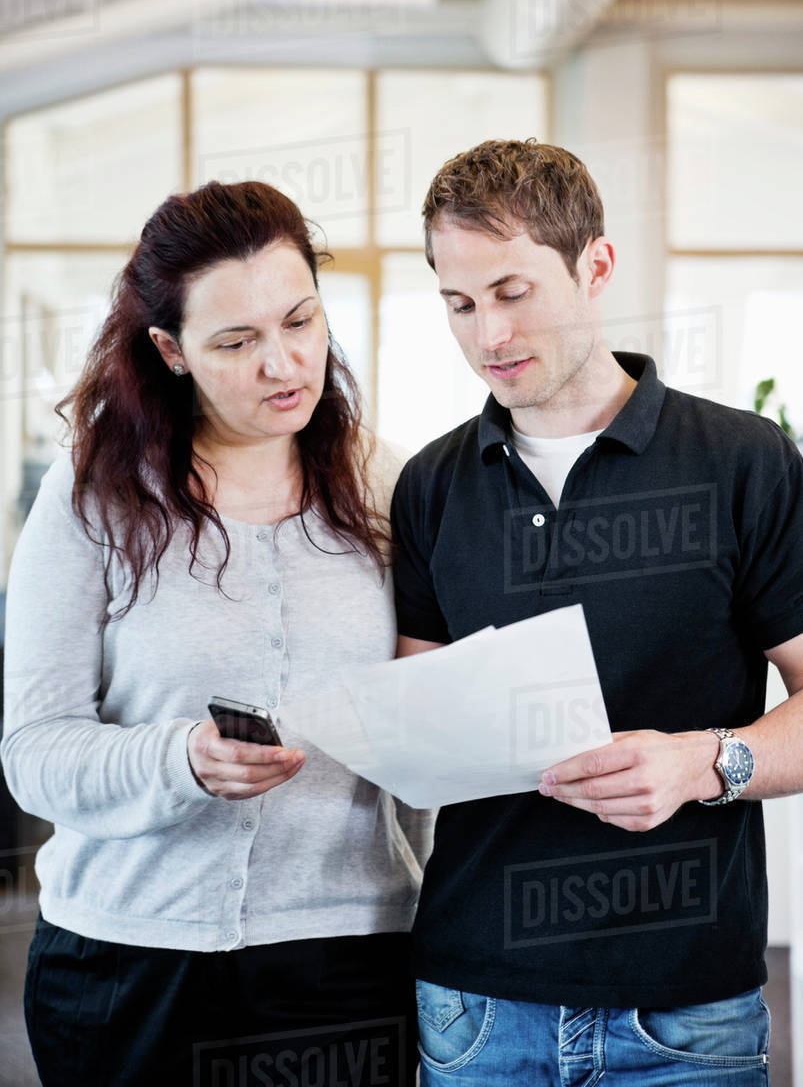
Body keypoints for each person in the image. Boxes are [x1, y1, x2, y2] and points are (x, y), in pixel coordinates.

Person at [1, 179, 433, 1087]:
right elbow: (34, 753)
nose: (284, 363)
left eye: (301, 321)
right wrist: (180, 762)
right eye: (236, 342)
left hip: (349, 963)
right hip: (129, 968)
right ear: (171, 350)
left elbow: (423, 732)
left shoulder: (389, 485)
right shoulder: (93, 496)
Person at [391, 138, 803, 1085]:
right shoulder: (430, 485)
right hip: (475, 1007)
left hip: (685, 1011)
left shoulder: (741, 462)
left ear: (595, 266)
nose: (488, 335)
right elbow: (420, 715)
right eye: (459, 303)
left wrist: (707, 762)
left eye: (512, 291)